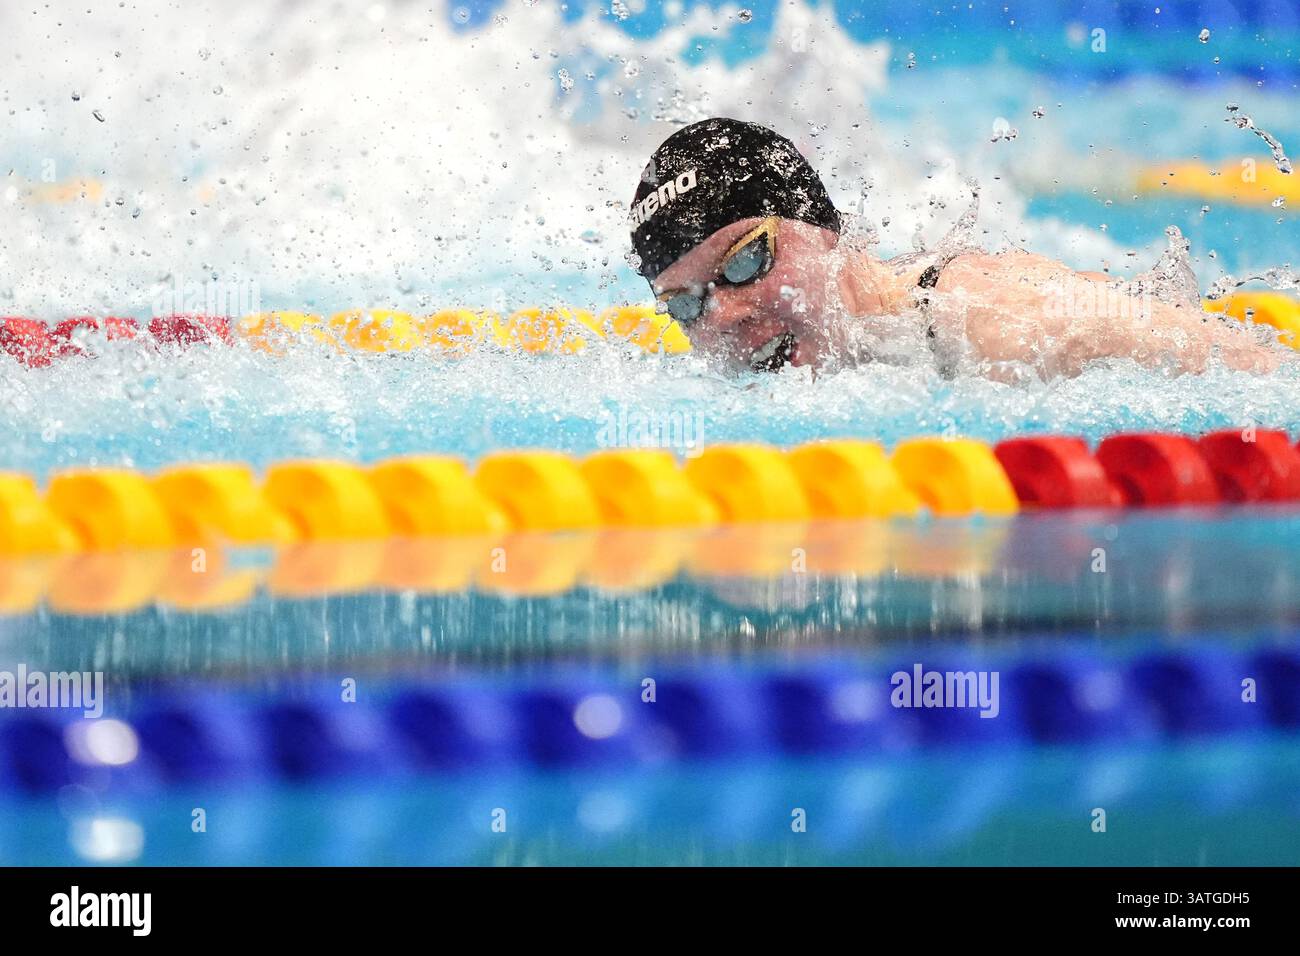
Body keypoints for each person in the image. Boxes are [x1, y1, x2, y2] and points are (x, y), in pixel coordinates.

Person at [628, 117, 1285, 379]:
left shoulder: (998, 324)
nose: (720, 317)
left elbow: (1262, 375)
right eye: (685, 305)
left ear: (822, 230)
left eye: (746, 261)